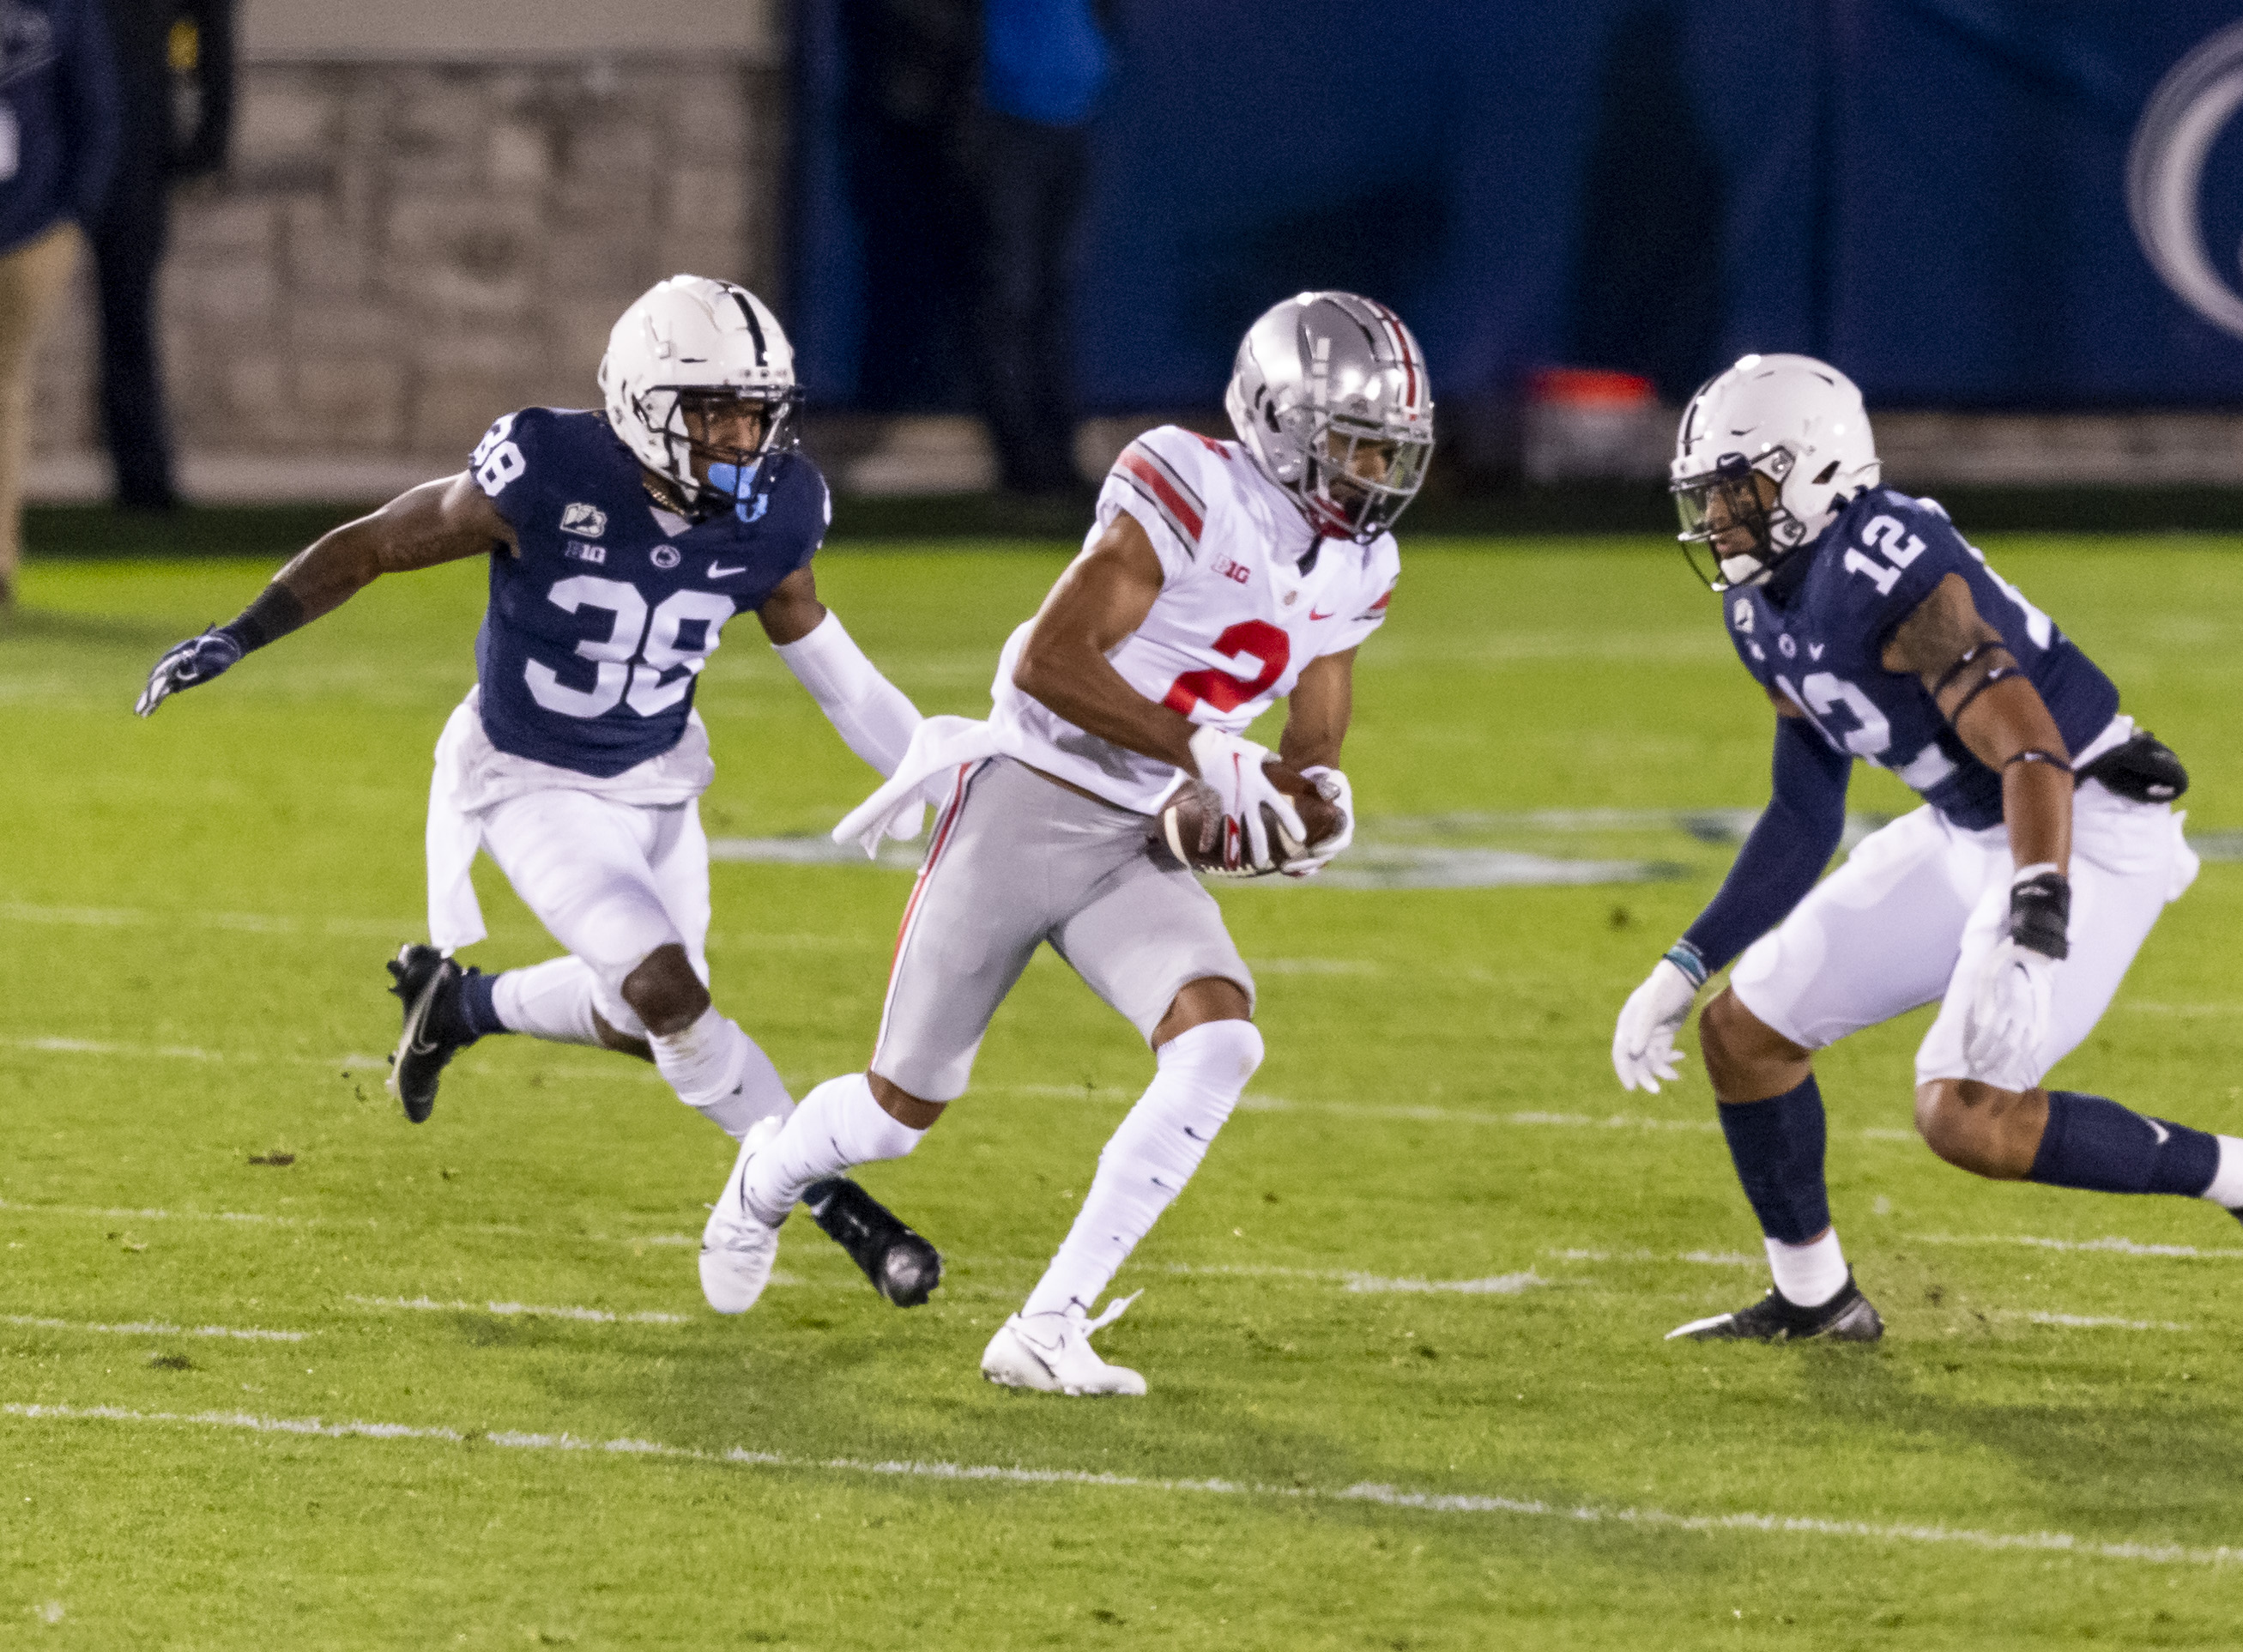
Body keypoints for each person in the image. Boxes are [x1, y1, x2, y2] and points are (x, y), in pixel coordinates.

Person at [133, 275, 942, 1286]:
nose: (742, 439)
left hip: (658, 780)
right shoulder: (550, 469)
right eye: (715, 413)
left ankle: (459, 1005)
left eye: (756, 414)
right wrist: (240, 632)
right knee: (669, 995)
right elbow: (381, 541)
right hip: (528, 778)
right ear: (644, 404)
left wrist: (937, 776)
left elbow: (833, 668)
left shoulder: (780, 510)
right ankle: (827, 1200)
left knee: (630, 1017)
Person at [696, 290, 1429, 1395]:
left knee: (1220, 1040)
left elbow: (1318, 704)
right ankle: (765, 1180)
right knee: (899, 1112)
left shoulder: (1358, 566)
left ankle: (1047, 1325)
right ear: (1279, 423)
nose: (1374, 475)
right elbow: (1051, 661)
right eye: (1355, 446)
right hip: (1026, 795)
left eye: (1390, 451)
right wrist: (1206, 751)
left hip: (1139, 828)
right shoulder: (1190, 484)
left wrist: (1316, 786)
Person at [1610, 354, 2243, 1352]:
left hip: (2080, 817)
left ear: (1817, 471)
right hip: (1971, 821)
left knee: (1966, 1115)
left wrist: (2037, 914)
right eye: (1708, 494)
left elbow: (2031, 746)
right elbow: (1802, 811)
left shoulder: (1883, 567)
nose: (1719, 517)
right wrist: (1684, 961)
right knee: (1742, 1036)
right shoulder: (1759, 606)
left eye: (1739, 489)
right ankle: (1817, 1300)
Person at [0, 0, 119, 612]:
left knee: (6, 385)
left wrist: (73, 216)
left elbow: (95, 109)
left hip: (32, 223)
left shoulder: (64, 9)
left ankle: (0, 556)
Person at [967, 0, 1111, 499]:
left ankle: (1058, 459)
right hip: (1007, 124)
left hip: (1072, 124)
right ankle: (1021, 464)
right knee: (1012, 296)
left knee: (1055, 297)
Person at [88, 0, 230, 511]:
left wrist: (207, 142)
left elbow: (211, 39)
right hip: (55, 160)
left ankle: (142, 476)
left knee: (129, 320)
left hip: (135, 158)